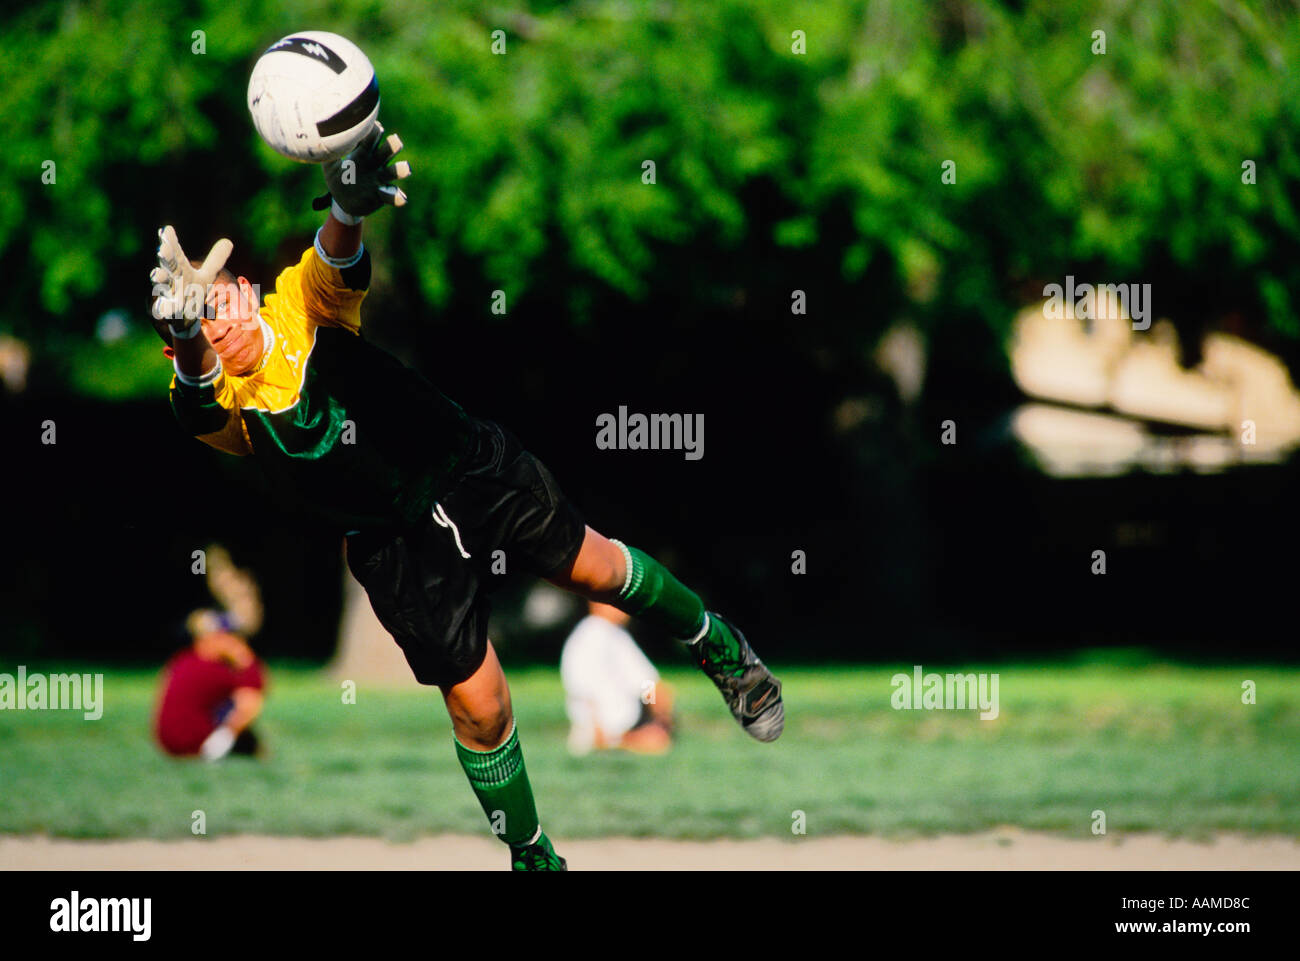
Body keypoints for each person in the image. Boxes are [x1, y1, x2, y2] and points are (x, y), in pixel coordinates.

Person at [150, 121, 783, 871]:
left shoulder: (297, 306)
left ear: (247, 287)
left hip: (461, 462)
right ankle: (532, 852)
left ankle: (716, 640)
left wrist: (347, 209)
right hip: (392, 543)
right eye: (202, 318)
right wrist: (188, 338)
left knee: (598, 571)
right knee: (482, 708)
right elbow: (196, 404)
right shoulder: (218, 396)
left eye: (220, 298)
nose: (219, 320)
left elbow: (336, 262)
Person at [561, 601, 676, 755]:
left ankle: (639, 736)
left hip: (630, 722)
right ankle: (624, 741)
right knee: (653, 744)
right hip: (604, 726)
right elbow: (582, 690)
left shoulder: (617, 635)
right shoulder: (588, 637)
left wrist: (657, 717)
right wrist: (598, 728)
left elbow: (647, 682)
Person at [154, 609, 267, 760]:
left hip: (168, 746)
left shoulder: (181, 661)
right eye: (230, 636)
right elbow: (251, 697)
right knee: (239, 707)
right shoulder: (219, 670)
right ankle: (222, 748)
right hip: (197, 744)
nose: (236, 641)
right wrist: (246, 659)